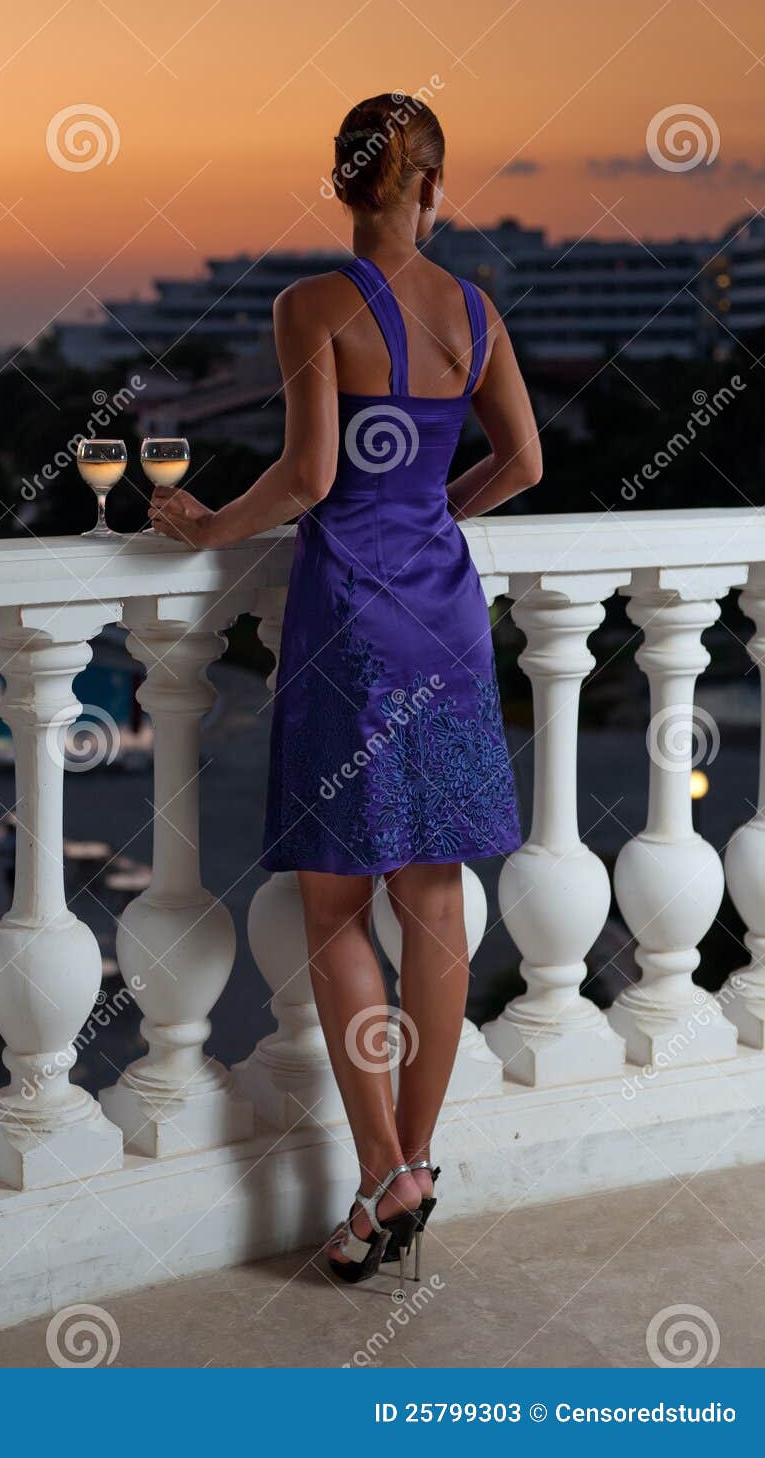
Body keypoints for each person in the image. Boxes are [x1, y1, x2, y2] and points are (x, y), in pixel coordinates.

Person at [149, 92, 542, 1293]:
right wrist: (434, 514)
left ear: (341, 186)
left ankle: (385, 1177)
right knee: (433, 896)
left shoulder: (311, 306)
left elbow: (312, 474)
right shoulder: (474, 312)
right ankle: (415, 1158)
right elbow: (522, 461)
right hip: (445, 616)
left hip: (352, 627)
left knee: (335, 905)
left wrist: (210, 521)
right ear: (431, 188)